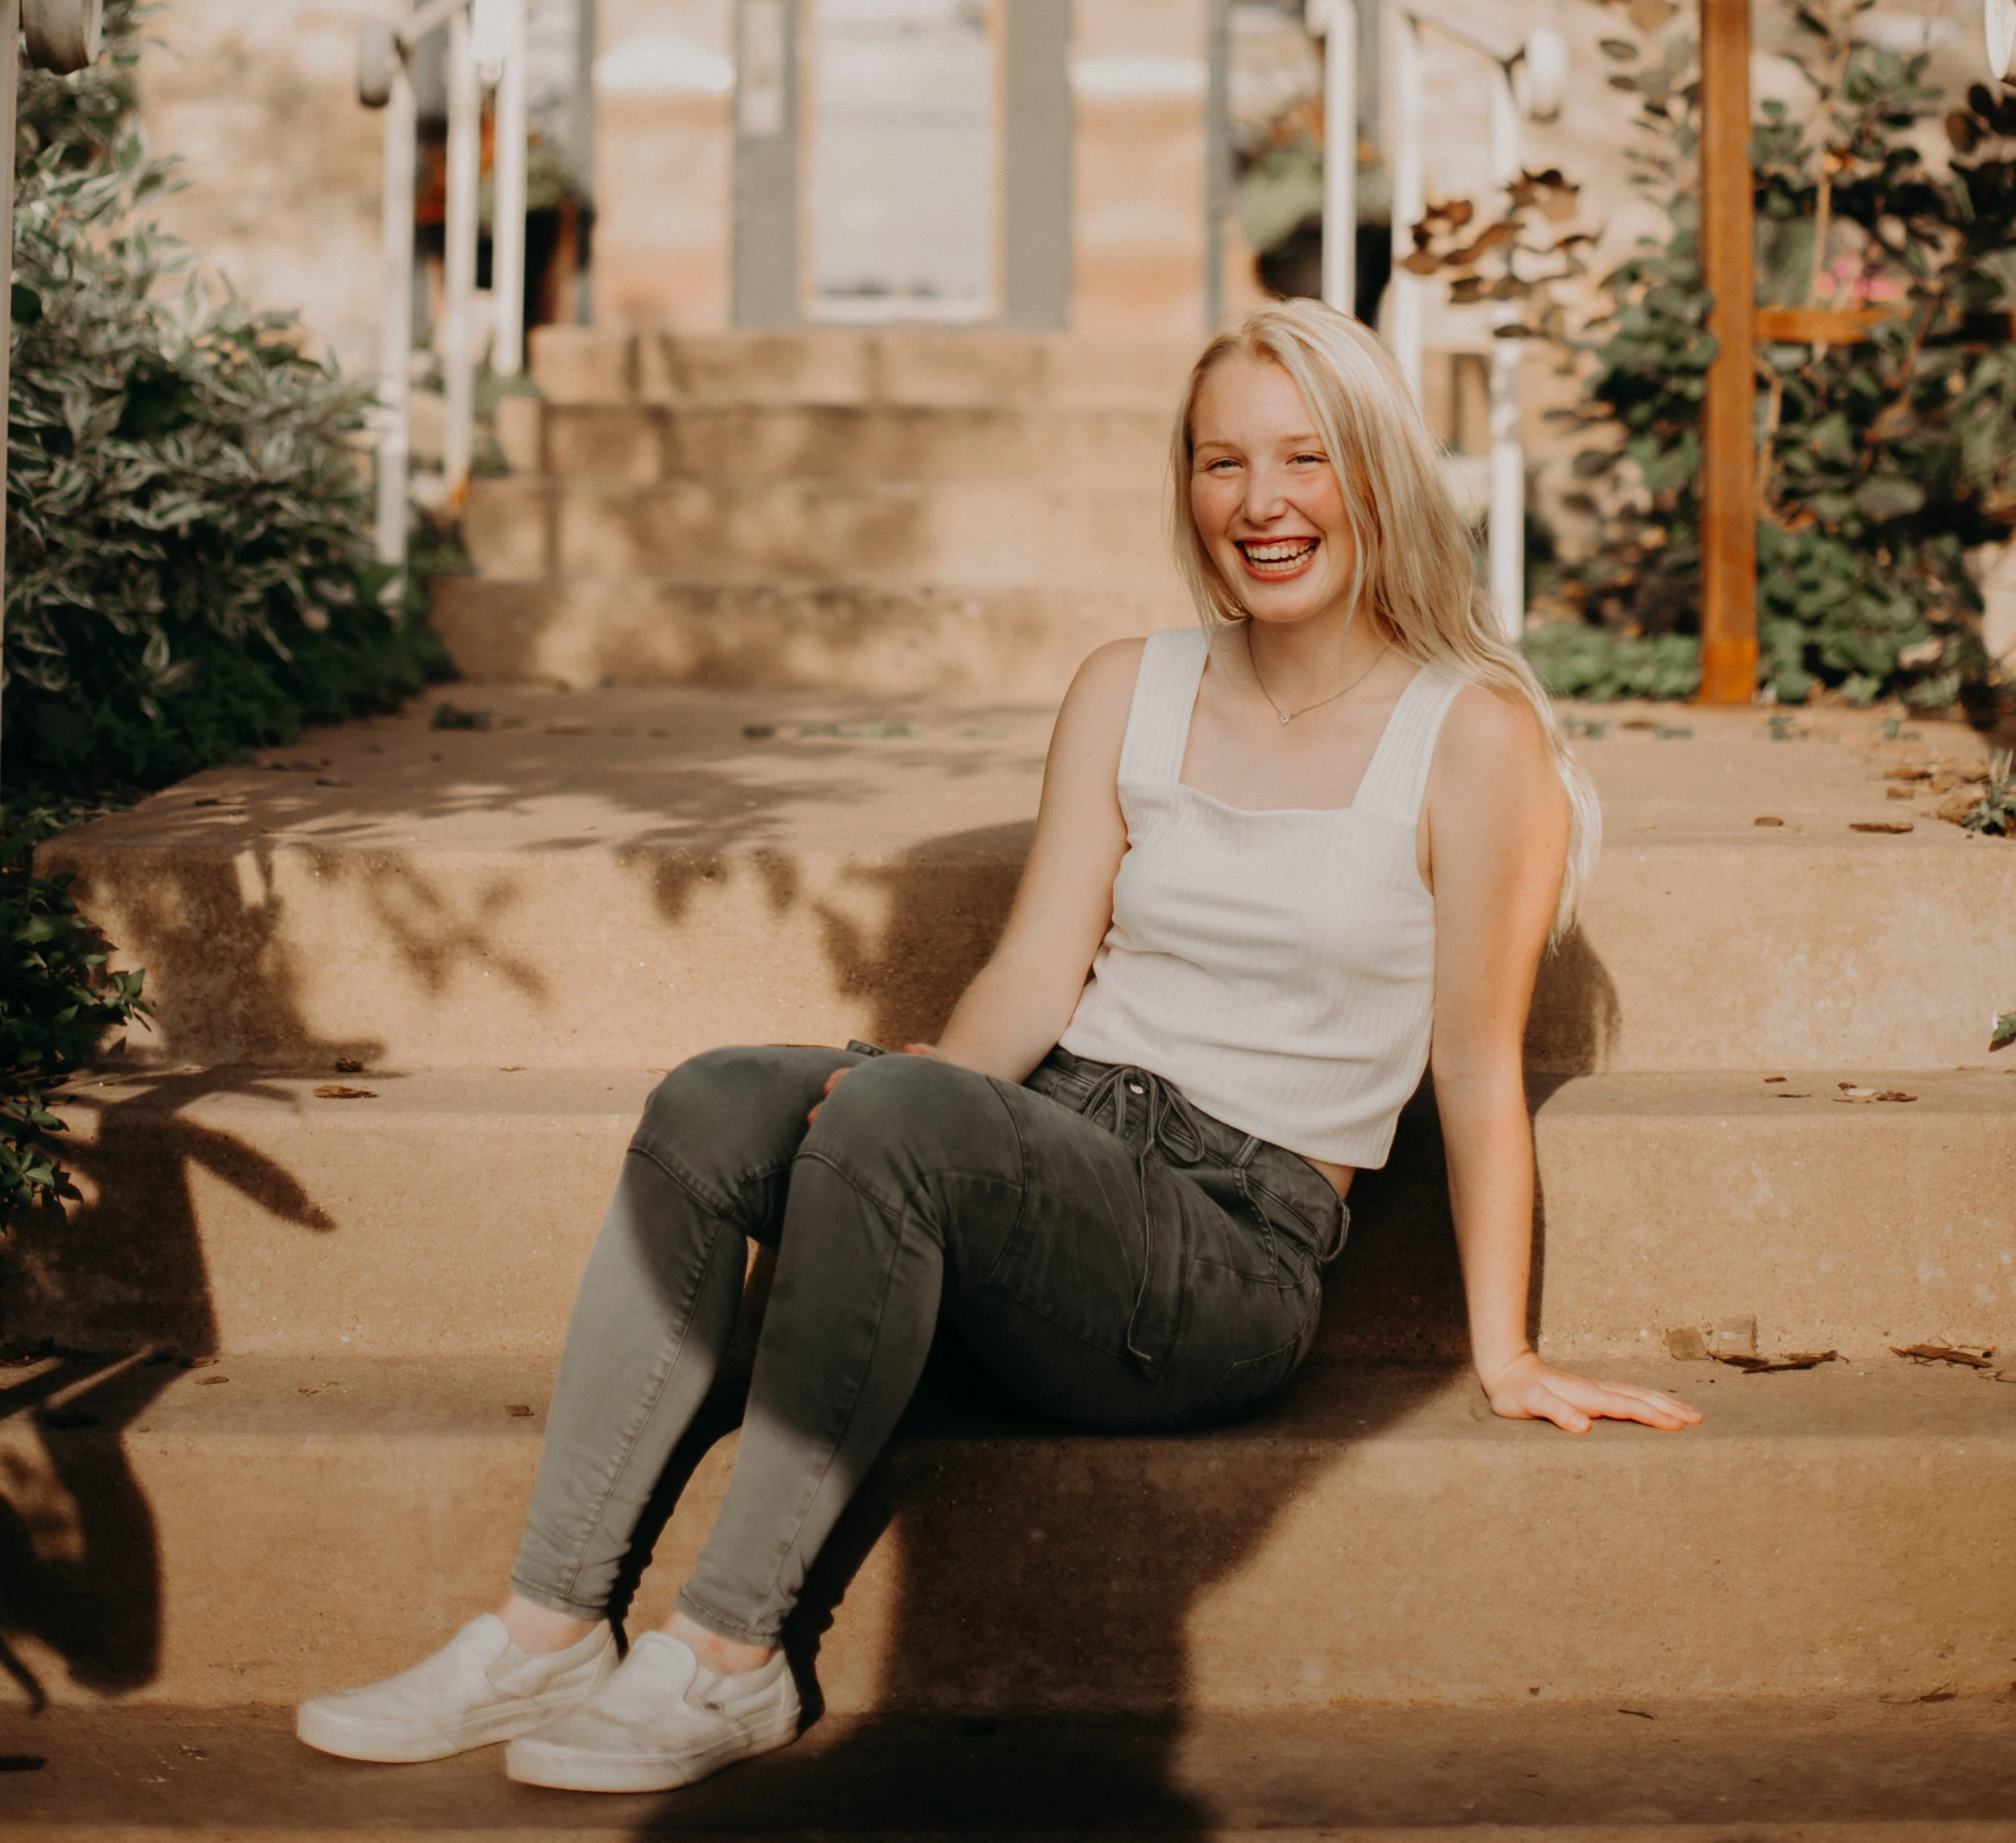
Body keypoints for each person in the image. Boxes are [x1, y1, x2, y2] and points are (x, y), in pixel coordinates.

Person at [296, 301, 1701, 1795]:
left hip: (1228, 1247)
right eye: (1222, 462)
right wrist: (918, 1114)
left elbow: (1474, 1066)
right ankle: (549, 1627)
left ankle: (726, 1657)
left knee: (895, 1116)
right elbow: (1039, 961)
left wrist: (1509, 1353)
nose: (1262, 503)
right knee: (713, 1102)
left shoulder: (1470, 735)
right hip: (1060, 1135)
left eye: (1306, 459)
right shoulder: (1130, 685)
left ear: (1379, 474)